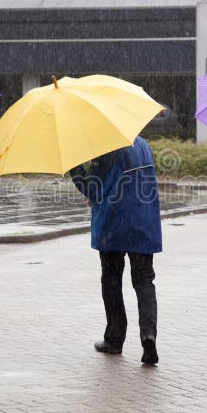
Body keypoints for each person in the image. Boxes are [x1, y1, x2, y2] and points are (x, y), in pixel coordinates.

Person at [70, 136, 162, 365]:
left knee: (111, 281)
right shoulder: (143, 146)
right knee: (144, 281)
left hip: (114, 223)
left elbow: (93, 188)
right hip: (143, 222)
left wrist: (75, 167)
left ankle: (114, 338)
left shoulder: (106, 147)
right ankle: (148, 335)